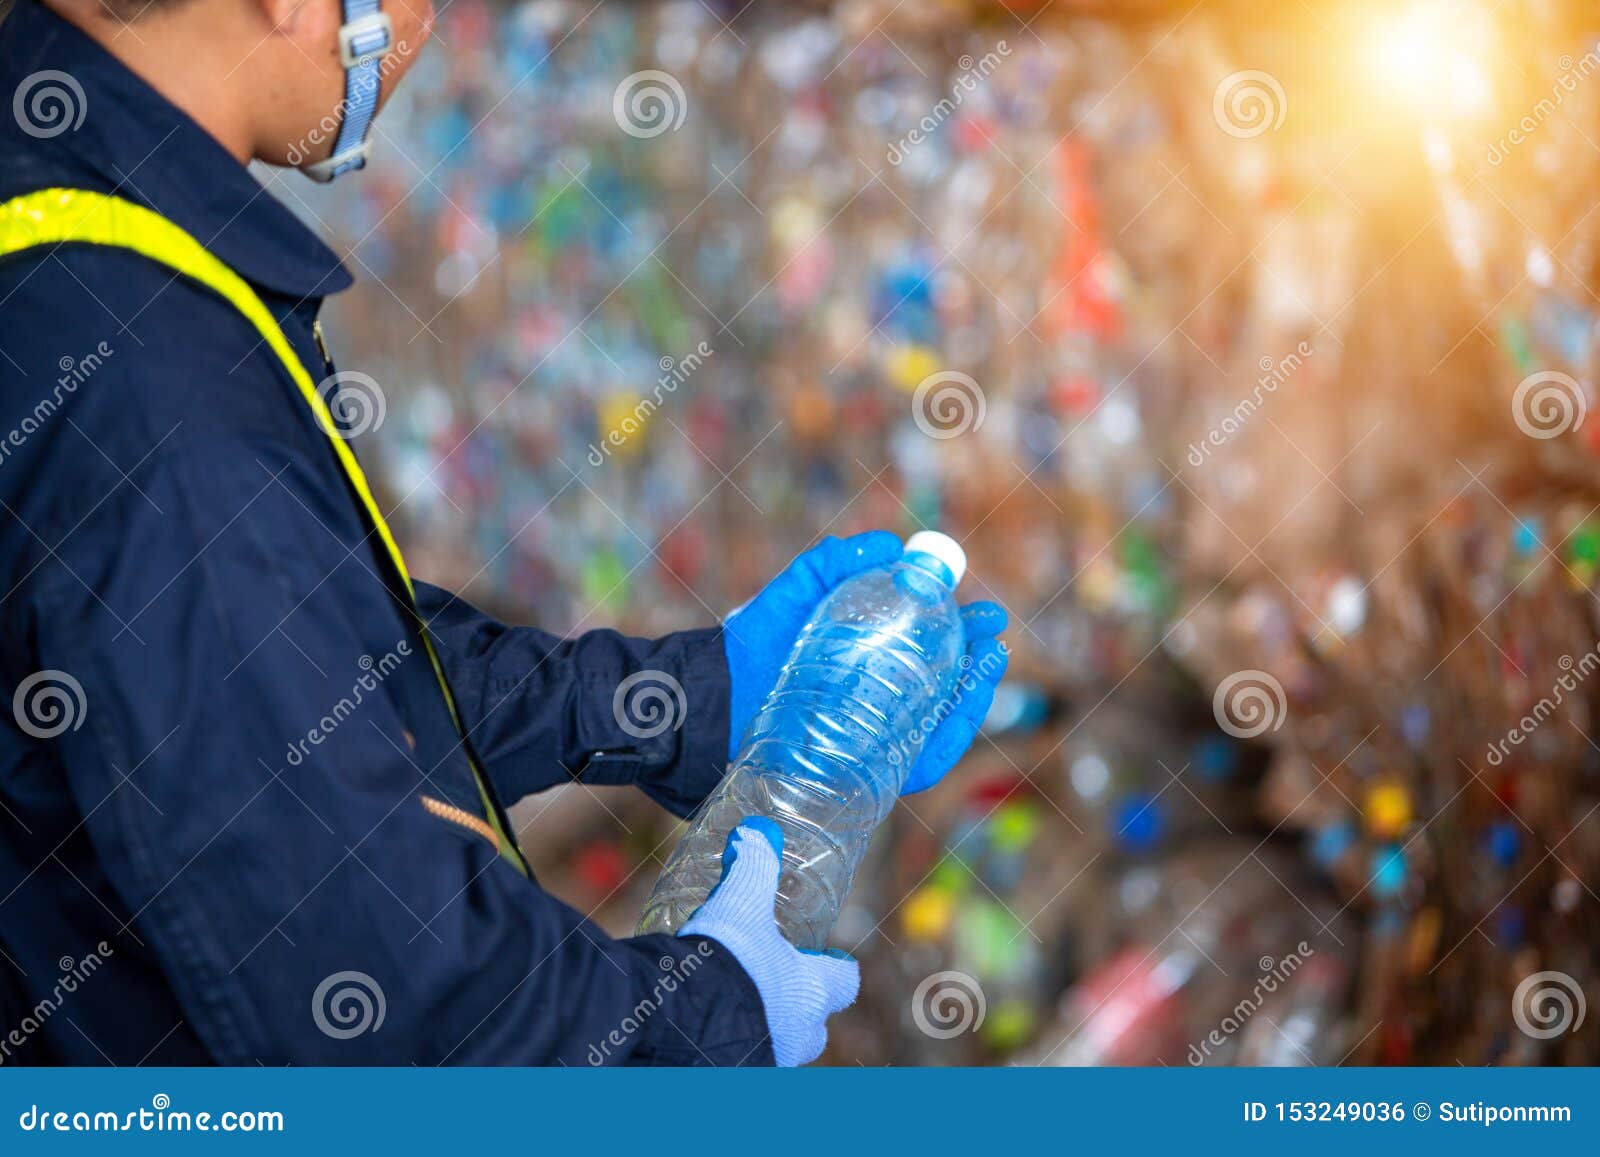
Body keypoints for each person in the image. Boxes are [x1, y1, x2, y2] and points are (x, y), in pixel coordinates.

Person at [0, 0, 1008, 1065]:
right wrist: (695, 1023)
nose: (425, 21)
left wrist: (681, 702)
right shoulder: (157, 395)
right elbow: (391, 998)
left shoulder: (68, 224)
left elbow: (308, 669)